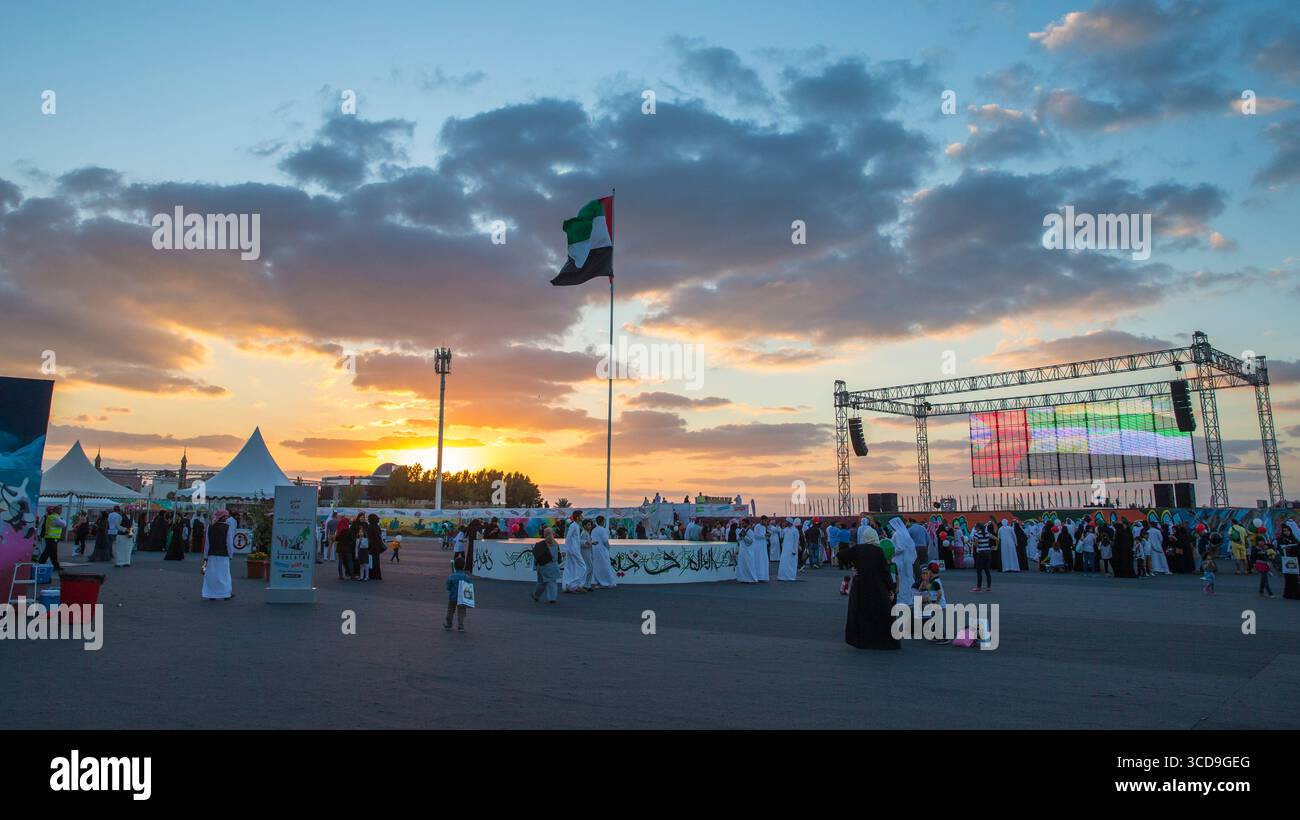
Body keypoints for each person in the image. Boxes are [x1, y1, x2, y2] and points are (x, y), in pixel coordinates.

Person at [839, 535, 900, 651]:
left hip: (860, 587)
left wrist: (853, 567)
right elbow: (885, 573)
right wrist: (891, 588)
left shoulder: (858, 549)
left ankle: (862, 641)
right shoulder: (878, 551)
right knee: (879, 614)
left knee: (862, 614)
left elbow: (840, 555)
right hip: (877, 588)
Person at [202, 510, 235, 600]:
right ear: (224, 517)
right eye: (226, 517)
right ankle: (225, 593)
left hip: (211, 554)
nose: (227, 518)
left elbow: (207, 543)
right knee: (224, 575)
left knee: (212, 575)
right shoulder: (227, 527)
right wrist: (231, 555)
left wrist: (205, 556)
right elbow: (229, 543)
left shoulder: (210, 527)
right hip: (223, 554)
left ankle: (211, 594)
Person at [888, 517, 916, 597]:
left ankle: (903, 596)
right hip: (906, 559)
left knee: (901, 579)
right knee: (906, 578)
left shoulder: (898, 534)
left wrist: (892, 553)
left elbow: (900, 548)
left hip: (900, 560)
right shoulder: (904, 532)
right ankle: (908, 595)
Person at [561, 511, 588, 593]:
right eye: (581, 515)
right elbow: (568, 538)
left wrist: (585, 542)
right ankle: (576, 585)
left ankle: (570, 586)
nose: (582, 516)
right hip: (573, 551)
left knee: (571, 569)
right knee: (583, 567)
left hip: (574, 550)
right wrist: (565, 550)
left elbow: (576, 540)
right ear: (577, 517)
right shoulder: (573, 526)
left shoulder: (575, 526)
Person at [532, 527, 561, 603]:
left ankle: (536, 595)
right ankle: (552, 598)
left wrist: (535, 566)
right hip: (552, 566)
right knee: (552, 582)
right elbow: (557, 557)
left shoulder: (539, 545)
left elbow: (536, 557)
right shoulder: (555, 543)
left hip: (541, 566)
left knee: (541, 583)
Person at [444, 555, 471, 631]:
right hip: (462, 598)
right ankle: (461, 626)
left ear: (454, 566)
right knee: (461, 612)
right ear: (463, 566)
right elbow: (469, 586)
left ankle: (449, 624)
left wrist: (449, 589)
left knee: (450, 610)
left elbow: (448, 586)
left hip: (453, 597)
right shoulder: (466, 576)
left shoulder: (452, 576)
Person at [589, 515, 617, 589]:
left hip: (595, 551)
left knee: (597, 567)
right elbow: (605, 541)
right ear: (602, 521)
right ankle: (609, 582)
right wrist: (608, 548)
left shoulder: (594, 530)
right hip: (602, 551)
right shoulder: (603, 530)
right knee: (606, 566)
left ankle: (599, 582)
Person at [38, 505, 66, 571]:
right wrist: (39, 535)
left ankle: (41, 564)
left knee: (48, 552)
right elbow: (64, 524)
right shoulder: (53, 517)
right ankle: (55, 566)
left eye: (51, 509)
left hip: (50, 537)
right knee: (51, 552)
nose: (51, 510)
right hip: (51, 537)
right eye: (50, 509)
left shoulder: (52, 517)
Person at [971, 523, 993, 591]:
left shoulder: (976, 534)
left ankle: (978, 587)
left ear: (978, 528)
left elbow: (976, 544)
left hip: (981, 553)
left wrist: (975, 545)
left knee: (979, 571)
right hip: (988, 553)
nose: (975, 529)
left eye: (976, 527)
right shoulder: (987, 533)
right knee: (987, 571)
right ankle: (989, 587)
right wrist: (996, 547)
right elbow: (996, 538)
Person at [736, 518, 758, 584]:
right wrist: (740, 536)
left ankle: (751, 578)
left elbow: (751, 541)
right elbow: (738, 539)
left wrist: (744, 536)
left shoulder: (750, 531)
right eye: (741, 523)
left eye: (743, 523)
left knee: (749, 564)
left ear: (747, 523)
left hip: (748, 550)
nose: (742, 525)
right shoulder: (741, 530)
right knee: (742, 563)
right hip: (742, 549)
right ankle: (743, 578)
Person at [336, 514, 356, 580]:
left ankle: (341, 576)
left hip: (340, 548)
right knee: (350, 561)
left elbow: (337, 539)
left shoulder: (340, 531)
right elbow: (352, 540)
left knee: (340, 562)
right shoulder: (349, 531)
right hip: (348, 549)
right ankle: (352, 575)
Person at [365, 514, 385, 579]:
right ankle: (377, 575)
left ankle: (372, 574)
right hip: (376, 546)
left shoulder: (369, 526)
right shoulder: (377, 526)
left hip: (371, 546)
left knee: (371, 561)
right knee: (376, 560)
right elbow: (378, 536)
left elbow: (368, 536)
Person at [580, 519, 595, 590]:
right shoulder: (583, 533)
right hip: (585, 552)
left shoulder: (587, 533)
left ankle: (587, 585)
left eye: (590, 524)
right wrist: (591, 543)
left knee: (590, 568)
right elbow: (582, 543)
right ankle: (584, 585)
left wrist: (591, 543)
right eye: (588, 525)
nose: (590, 526)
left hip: (588, 551)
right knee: (588, 568)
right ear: (584, 525)